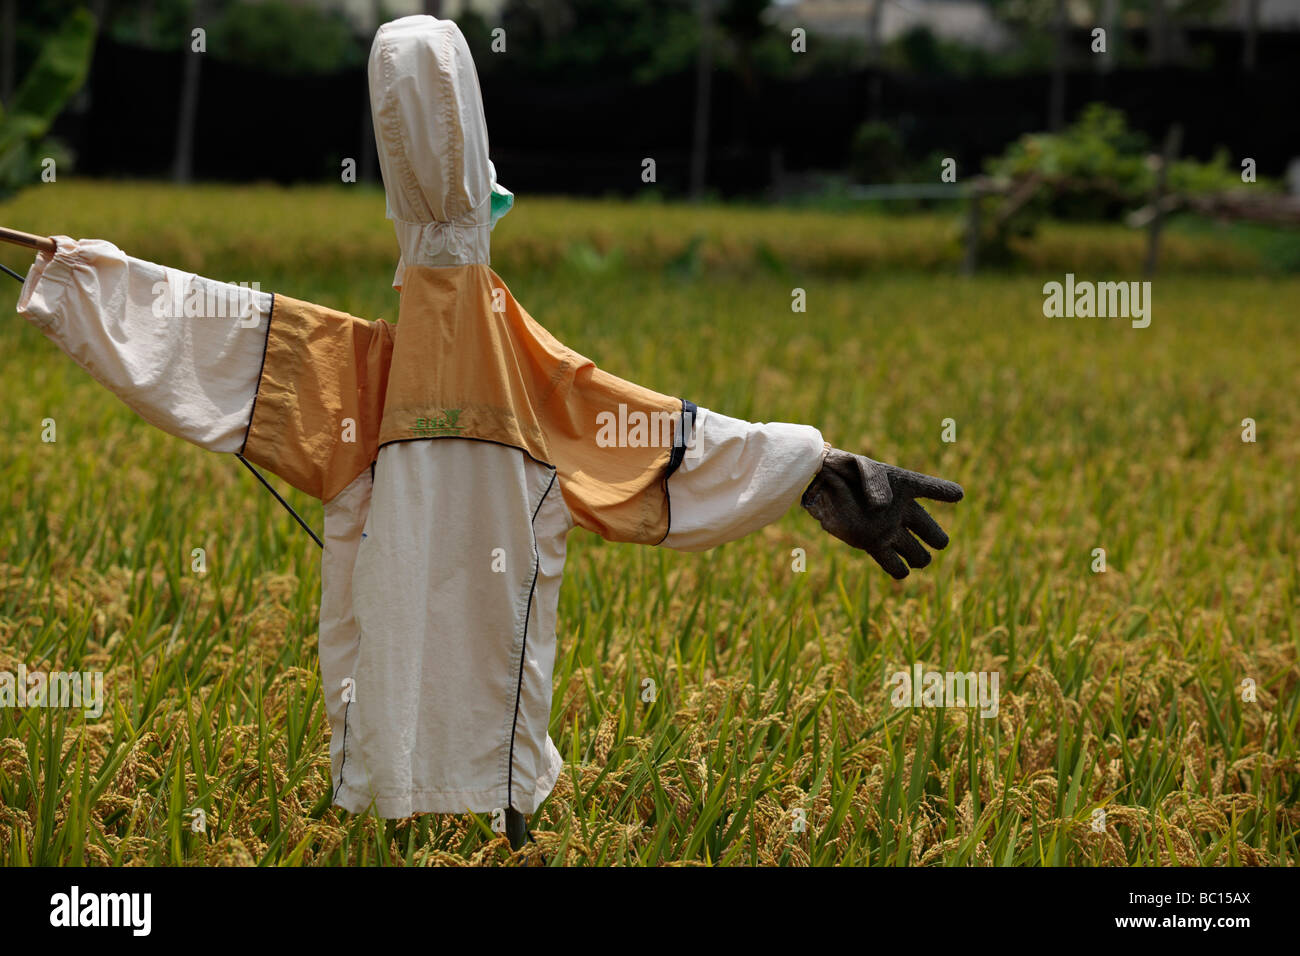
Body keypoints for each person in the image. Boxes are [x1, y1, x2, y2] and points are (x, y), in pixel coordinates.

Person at [15, 15, 962, 839]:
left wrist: (69, 275)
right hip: (502, 739)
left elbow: (192, 328)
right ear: (482, 176)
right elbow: (675, 444)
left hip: (378, 726)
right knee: (496, 735)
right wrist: (809, 464)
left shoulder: (345, 371)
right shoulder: (538, 386)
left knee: (394, 728)